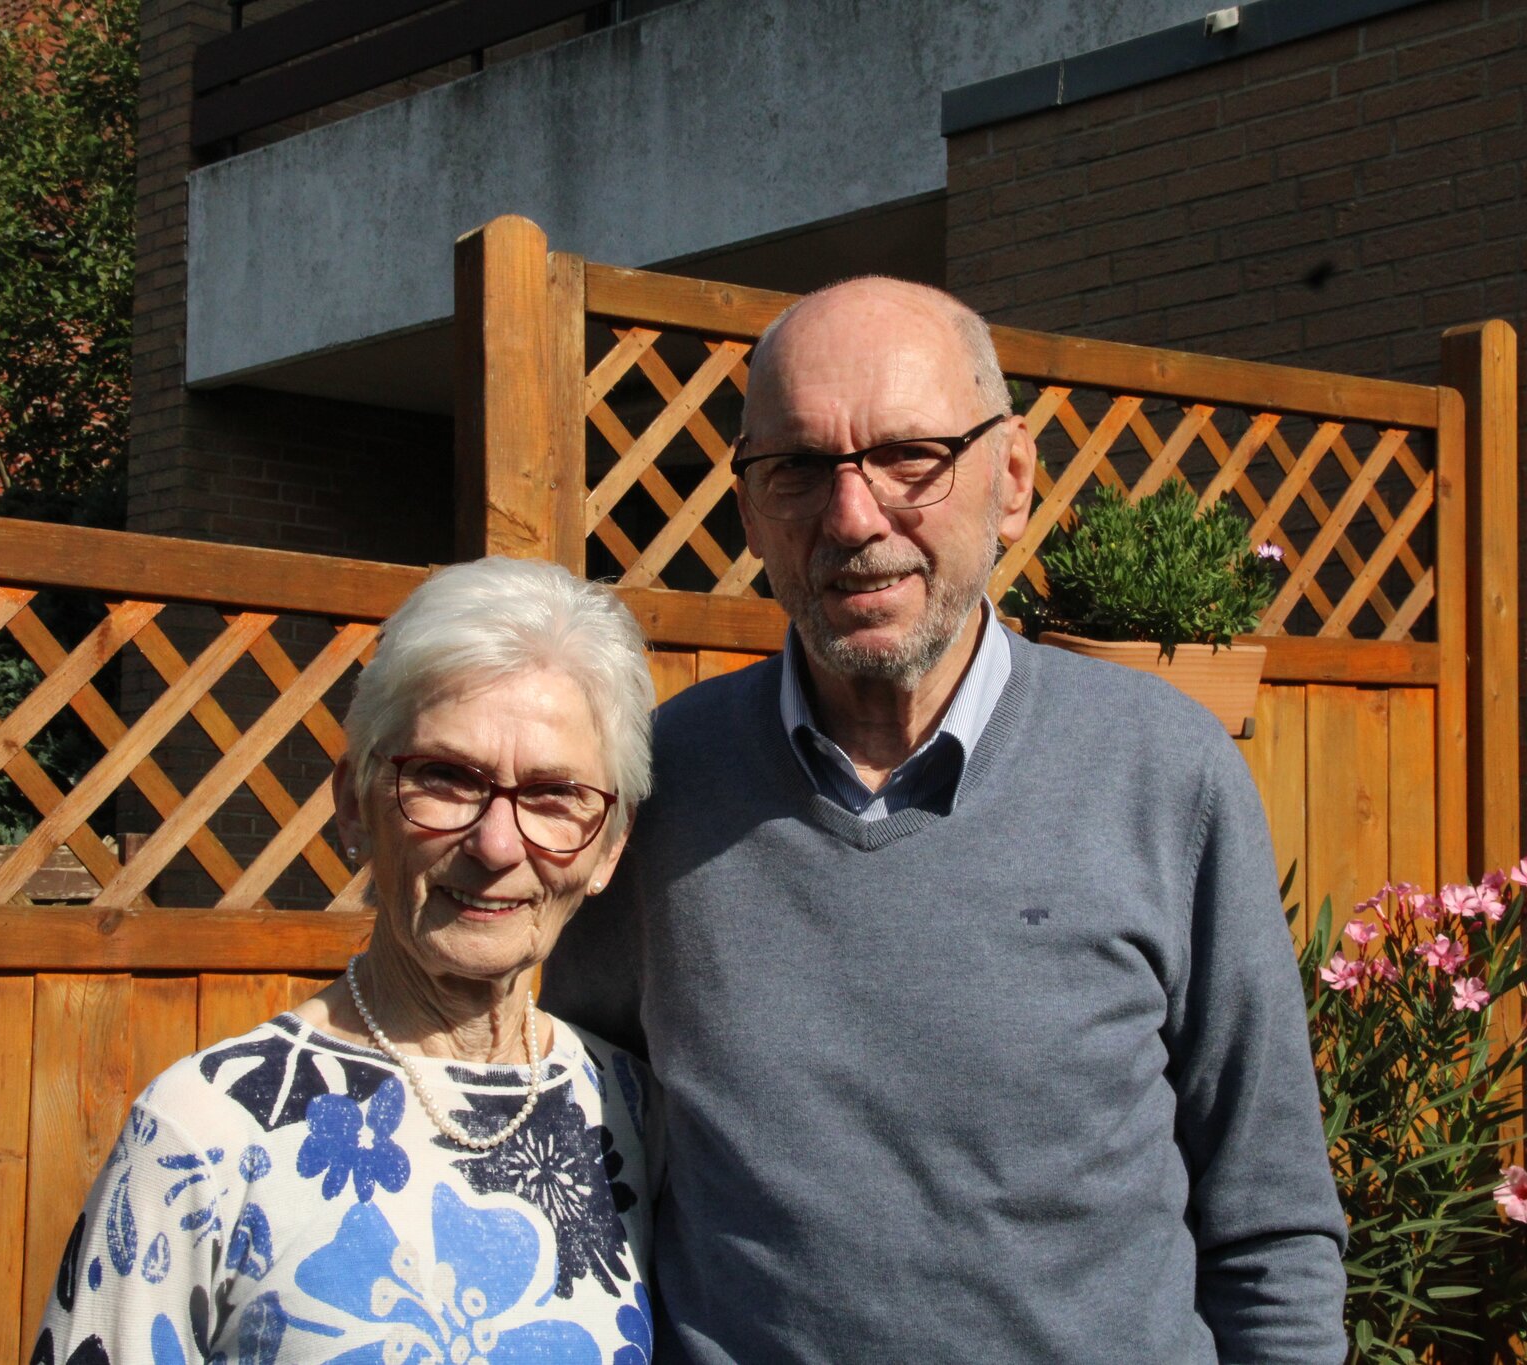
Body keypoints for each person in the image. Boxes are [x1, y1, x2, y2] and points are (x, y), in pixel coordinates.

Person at [545, 278, 1348, 1362]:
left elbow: (1272, 1229)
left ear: (1009, 479)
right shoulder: (659, 788)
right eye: (796, 470)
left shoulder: (1163, 775)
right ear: (748, 508)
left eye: (906, 457)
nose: (852, 518)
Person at [33, 557, 663, 1365]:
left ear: (608, 846)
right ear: (353, 804)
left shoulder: (631, 1114)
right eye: (445, 777)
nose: (497, 844)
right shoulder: (202, 1133)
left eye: (552, 795)